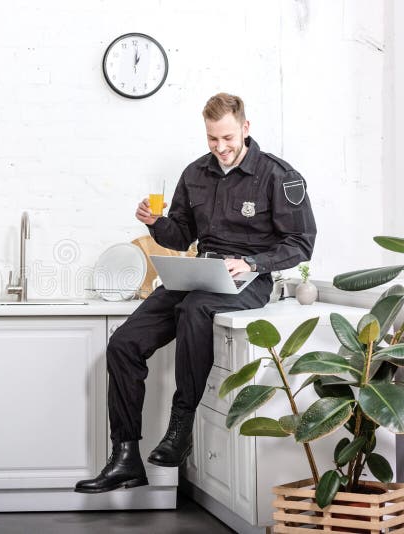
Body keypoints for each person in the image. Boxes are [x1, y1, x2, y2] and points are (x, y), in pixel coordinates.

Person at [74, 93, 317, 493]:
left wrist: (253, 264)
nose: (220, 148)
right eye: (212, 139)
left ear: (245, 128)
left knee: (195, 309)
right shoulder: (195, 173)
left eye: (227, 138)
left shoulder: (277, 175)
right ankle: (125, 457)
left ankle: (180, 430)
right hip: (199, 271)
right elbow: (182, 235)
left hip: (248, 279)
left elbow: (300, 243)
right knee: (123, 344)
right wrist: (156, 222)